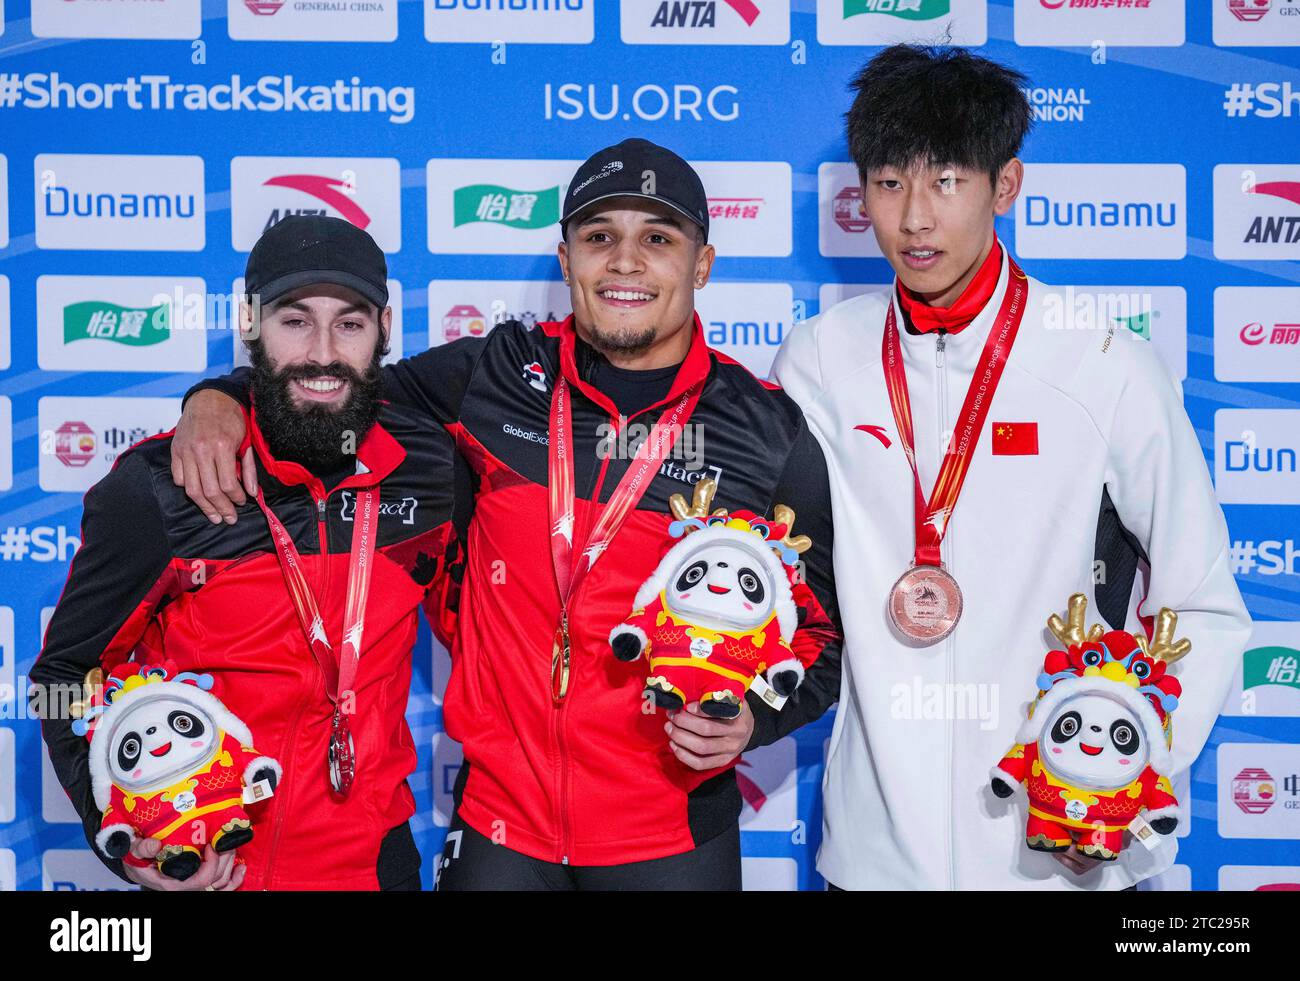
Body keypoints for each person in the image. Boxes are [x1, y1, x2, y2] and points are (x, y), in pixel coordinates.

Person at [173, 138, 844, 890]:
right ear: (566, 263)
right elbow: (332, 381)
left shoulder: (769, 433)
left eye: (657, 238)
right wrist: (222, 397)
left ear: (702, 265)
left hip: (672, 833)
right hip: (500, 828)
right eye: (599, 238)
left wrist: (755, 717)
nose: (625, 261)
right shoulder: (490, 376)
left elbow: (821, 637)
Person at [772, 44, 1251, 890]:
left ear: (1007, 184)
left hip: (1057, 854)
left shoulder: (1102, 361)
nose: (915, 217)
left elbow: (1203, 605)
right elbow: (786, 575)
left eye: (947, 180)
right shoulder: (819, 360)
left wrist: (1121, 790)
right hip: (874, 857)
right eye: (889, 182)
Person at [31, 215, 465, 890]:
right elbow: (60, 680)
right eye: (295, 321)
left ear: (384, 327)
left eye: (349, 324)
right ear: (250, 321)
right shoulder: (162, 490)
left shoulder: (432, 472)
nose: (323, 353)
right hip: (215, 870)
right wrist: (125, 840)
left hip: (376, 868)